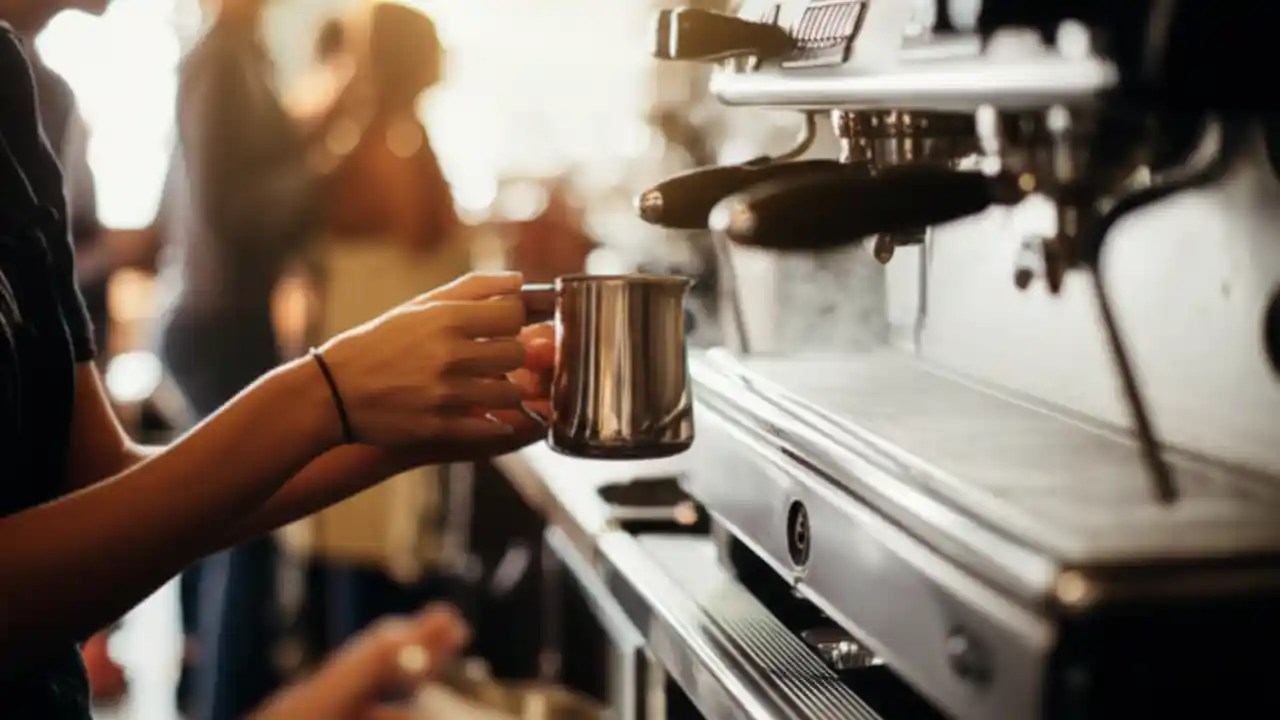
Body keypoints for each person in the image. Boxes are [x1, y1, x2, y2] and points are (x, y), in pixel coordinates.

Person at [0, 18, 556, 720]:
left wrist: (411, 429)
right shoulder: (220, 70)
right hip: (218, 327)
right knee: (247, 569)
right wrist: (328, 394)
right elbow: (242, 216)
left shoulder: (14, 89)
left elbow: (102, 485)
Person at [279, 4, 472, 655]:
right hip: (378, 366)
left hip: (363, 359)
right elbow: (425, 239)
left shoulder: (368, 132)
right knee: (365, 555)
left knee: (355, 553)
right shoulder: (393, 140)